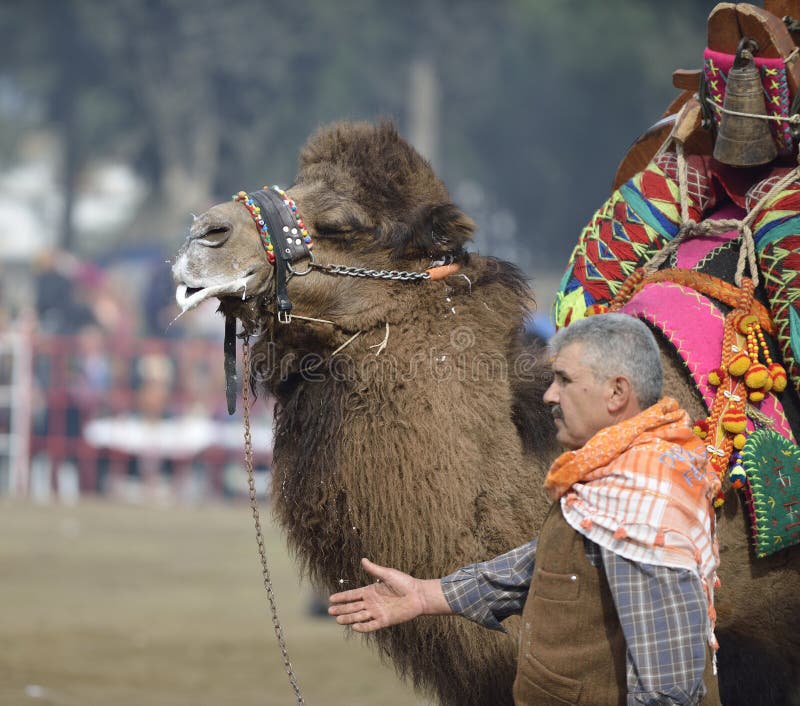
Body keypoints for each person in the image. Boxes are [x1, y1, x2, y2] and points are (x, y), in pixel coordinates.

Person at [329, 313, 721, 706]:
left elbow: (668, 689)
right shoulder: (618, 483)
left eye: (564, 380)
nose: (550, 395)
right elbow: (555, 563)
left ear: (617, 392)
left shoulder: (641, 508)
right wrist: (425, 595)